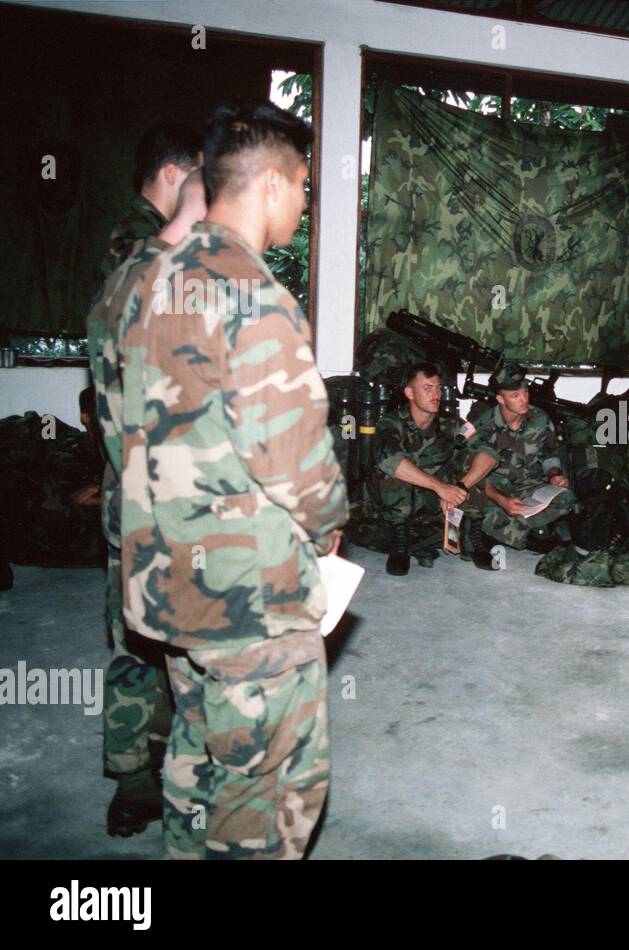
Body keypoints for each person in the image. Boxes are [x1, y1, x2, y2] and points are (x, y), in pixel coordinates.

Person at [118, 101, 346, 859]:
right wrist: (330, 525)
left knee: (197, 757)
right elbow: (295, 463)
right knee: (273, 784)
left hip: (168, 580)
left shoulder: (153, 280)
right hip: (248, 598)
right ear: (275, 185)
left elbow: (124, 424)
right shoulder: (255, 296)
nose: (307, 202)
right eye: (307, 185)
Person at [87, 170, 207, 837]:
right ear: (176, 172)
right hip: (152, 499)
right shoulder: (142, 251)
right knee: (154, 649)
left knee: (145, 645)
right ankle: (142, 780)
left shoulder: (139, 252)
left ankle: (145, 777)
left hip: (141, 498)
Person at [459, 364, 578, 557]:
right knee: (475, 505)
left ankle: (505, 530)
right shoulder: (480, 426)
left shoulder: (540, 418)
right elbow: (472, 474)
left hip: (528, 486)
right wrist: (502, 500)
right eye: (515, 395)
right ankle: (525, 533)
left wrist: (554, 474)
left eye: (525, 392)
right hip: (492, 490)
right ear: (500, 399)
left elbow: (550, 452)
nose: (523, 399)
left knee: (567, 498)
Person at [368, 361, 474, 576]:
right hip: (396, 500)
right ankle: (400, 542)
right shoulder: (391, 422)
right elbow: (389, 459)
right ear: (409, 393)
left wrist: (460, 486)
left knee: (472, 465)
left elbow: (485, 452)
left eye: (438, 388)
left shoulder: (451, 423)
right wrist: (441, 488)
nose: (436, 394)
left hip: (432, 502)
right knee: (395, 473)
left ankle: (472, 533)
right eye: (427, 388)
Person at [99, 123, 202, 279]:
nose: (206, 186)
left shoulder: (151, 230)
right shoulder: (134, 237)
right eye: (199, 176)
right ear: (171, 174)